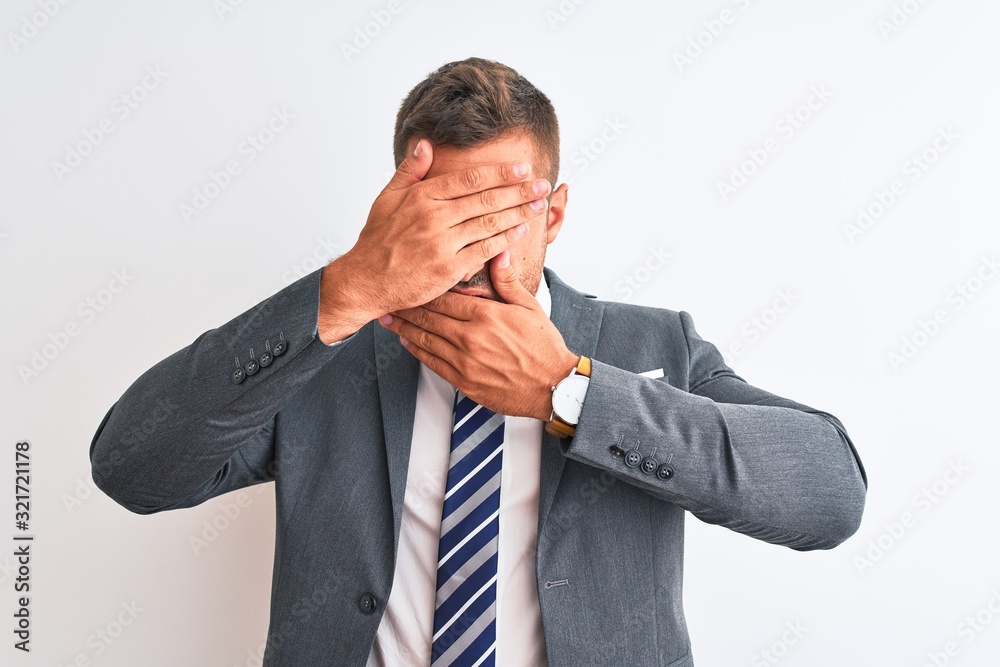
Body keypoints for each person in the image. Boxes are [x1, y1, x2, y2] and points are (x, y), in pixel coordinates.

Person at [90, 57, 867, 667]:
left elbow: (831, 492)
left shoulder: (652, 347)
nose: (473, 248)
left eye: (501, 214)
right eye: (447, 216)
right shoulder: (329, 356)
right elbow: (132, 466)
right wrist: (344, 290)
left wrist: (569, 391)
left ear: (553, 215)